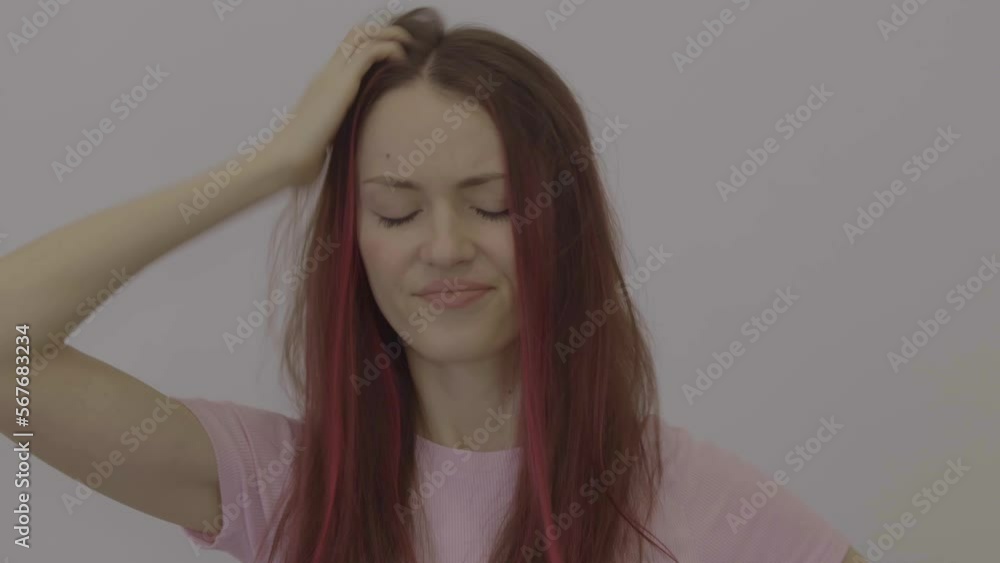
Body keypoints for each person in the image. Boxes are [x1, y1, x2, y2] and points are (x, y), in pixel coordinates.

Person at [0, 7, 867, 563]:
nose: (445, 247)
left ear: (561, 223)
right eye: (396, 211)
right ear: (355, 242)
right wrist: (275, 165)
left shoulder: (691, 498)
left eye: (492, 206)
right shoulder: (286, 485)